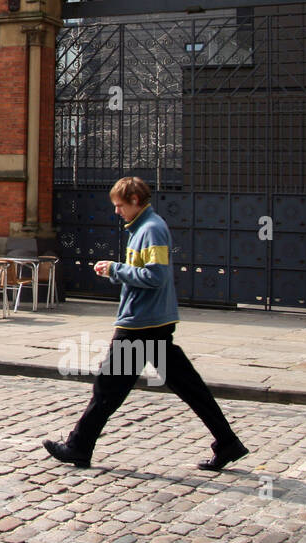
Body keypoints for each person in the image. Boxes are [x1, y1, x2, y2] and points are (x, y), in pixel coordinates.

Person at [43, 177, 249, 472]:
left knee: (107, 387)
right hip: (151, 322)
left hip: (141, 323)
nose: (117, 212)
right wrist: (116, 272)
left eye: (120, 205)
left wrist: (115, 268)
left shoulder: (151, 230)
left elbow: (156, 276)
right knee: (190, 388)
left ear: (135, 201)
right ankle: (228, 442)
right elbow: (144, 274)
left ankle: (78, 446)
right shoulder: (142, 228)